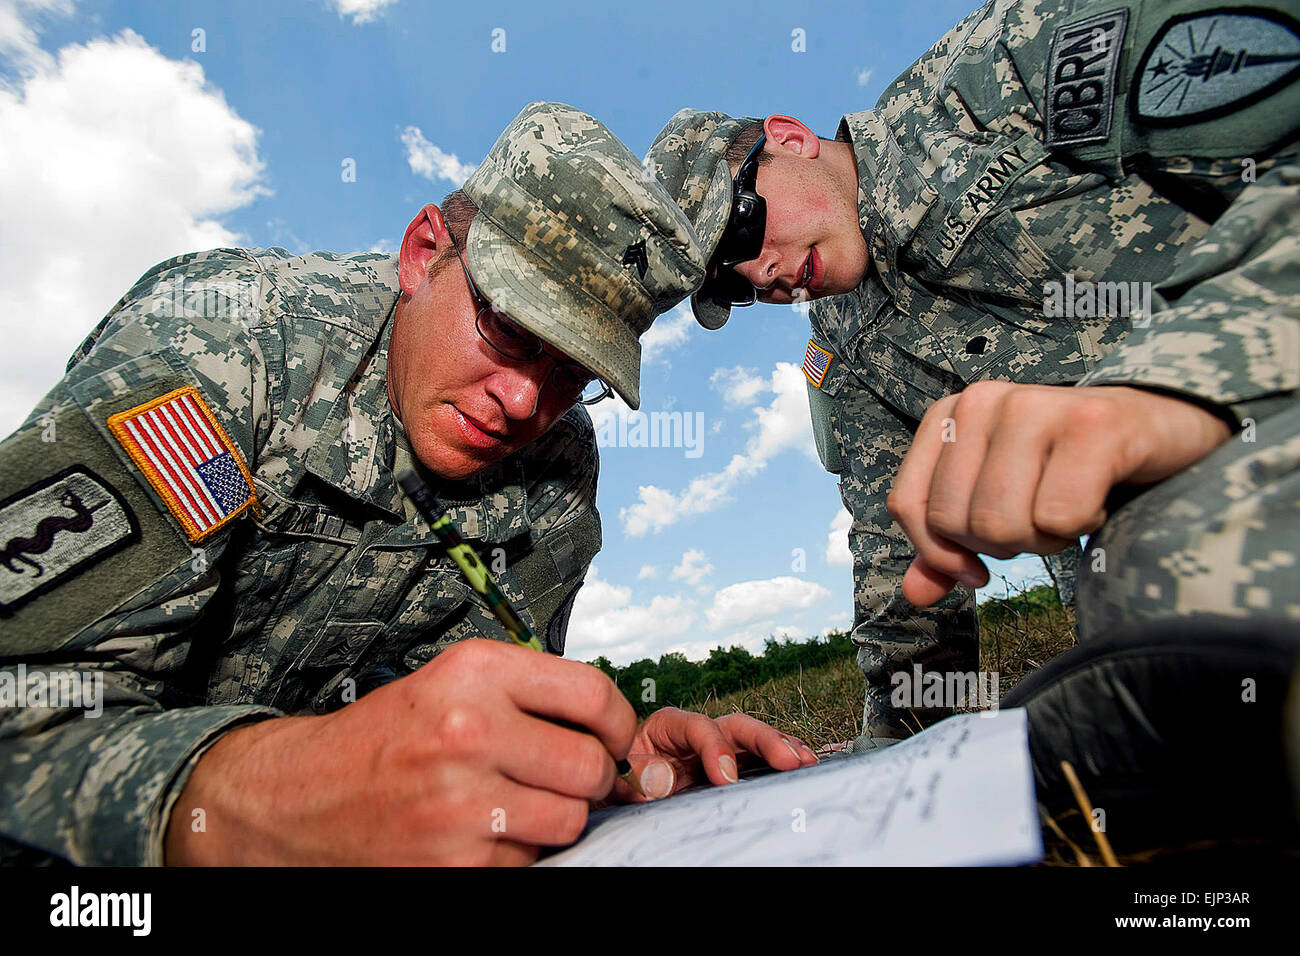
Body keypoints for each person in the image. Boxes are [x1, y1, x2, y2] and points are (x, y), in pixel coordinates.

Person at [0, 101, 819, 867]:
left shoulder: (556, 474)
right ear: (423, 252)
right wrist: (270, 798)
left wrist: (607, 767)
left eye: (575, 373)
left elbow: (470, 730)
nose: (527, 400)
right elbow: (22, 703)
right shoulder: (231, 353)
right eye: (510, 328)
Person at [646, 0, 1300, 744]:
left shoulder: (1011, 65)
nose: (761, 272)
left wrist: (1174, 390)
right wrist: (903, 740)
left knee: (1179, 584)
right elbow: (895, 543)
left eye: (741, 225)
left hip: (1262, 389)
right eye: (733, 285)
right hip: (1151, 525)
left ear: (791, 141)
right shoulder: (845, 346)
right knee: (1125, 668)